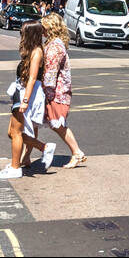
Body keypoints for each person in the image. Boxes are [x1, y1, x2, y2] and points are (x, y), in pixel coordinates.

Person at [0, 21, 55, 180]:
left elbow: (32, 79)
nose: (21, 36)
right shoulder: (32, 51)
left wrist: (25, 101)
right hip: (20, 92)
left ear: (30, 34)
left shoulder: (36, 52)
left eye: (23, 33)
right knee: (12, 132)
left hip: (26, 95)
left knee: (16, 132)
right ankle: (44, 147)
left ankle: (15, 168)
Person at [39, 13, 87, 168]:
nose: (41, 30)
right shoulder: (55, 43)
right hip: (56, 91)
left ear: (50, 28)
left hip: (55, 92)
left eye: (43, 26)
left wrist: (44, 89)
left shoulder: (54, 47)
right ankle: (25, 157)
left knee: (58, 124)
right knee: (40, 123)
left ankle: (77, 152)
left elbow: (50, 73)